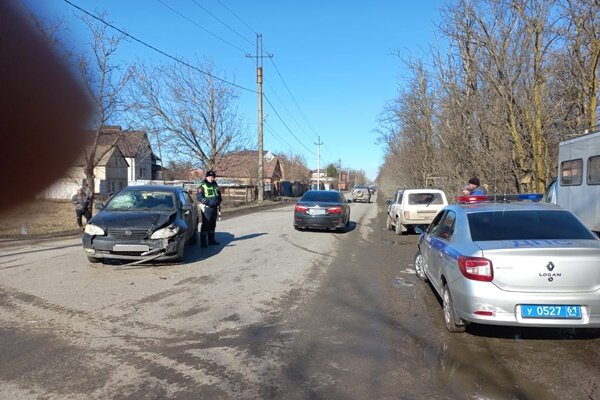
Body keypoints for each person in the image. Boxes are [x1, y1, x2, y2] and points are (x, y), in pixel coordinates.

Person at [197, 170, 222, 248]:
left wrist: (219, 201)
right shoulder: (202, 185)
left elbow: (218, 195)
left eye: (213, 177)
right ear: (206, 177)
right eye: (210, 177)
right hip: (207, 208)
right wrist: (208, 203)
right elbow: (199, 197)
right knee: (205, 225)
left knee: (212, 224)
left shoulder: (215, 185)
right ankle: (203, 243)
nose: (211, 178)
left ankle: (211, 240)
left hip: (214, 207)